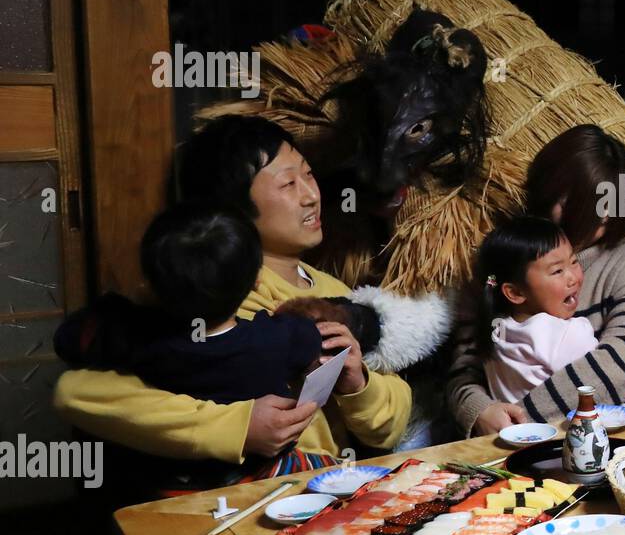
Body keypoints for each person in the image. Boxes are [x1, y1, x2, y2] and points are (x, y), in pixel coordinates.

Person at [54, 115, 413, 474]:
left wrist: (359, 384)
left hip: (329, 499)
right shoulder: (210, 299)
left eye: (308, 174)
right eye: (288, 184)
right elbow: (79, 392)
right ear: (231, 208)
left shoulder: (335, 293)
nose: (311, 196)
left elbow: (389, 427)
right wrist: (238, 427)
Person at [53, 203, 346, 489]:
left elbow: (68, 339)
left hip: (177, 484)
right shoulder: (276, 339)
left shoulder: (136, 337)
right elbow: (312, 338)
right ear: (258, 279)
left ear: (151, 283)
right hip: (263, 476)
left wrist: (124, 309)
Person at [447, 125, 625, 435]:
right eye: (575, 201)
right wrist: (480, 411)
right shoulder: (501, 258)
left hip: (580, 435)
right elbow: (465, 367)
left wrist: (519, 428)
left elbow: (617, 368)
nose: (599, 218)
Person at [475, 215, 599, 406]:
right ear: (515, 292)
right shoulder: (565, 334)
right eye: (557, 271)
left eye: (574, 262)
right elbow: (606, 386)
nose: (573, 277)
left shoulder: (495, 330)